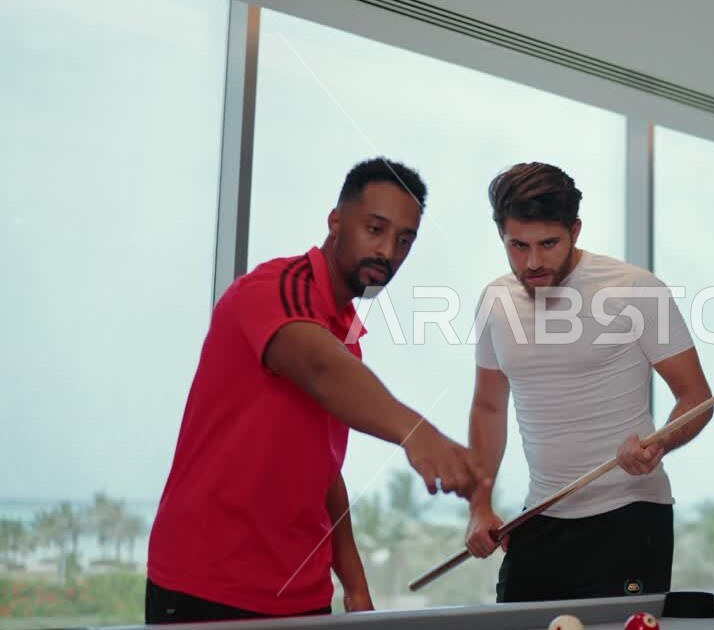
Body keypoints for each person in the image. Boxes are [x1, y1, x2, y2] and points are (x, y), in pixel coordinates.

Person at [146, 158, 485, 623]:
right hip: (207, 585)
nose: (388, 251)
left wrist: (356, 585)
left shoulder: (346, 334)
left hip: (302, 595)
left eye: (404, 240)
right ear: (335, 221)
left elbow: (322, 471)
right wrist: (416, 432)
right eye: (375, 229)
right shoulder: (274, 289)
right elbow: (320, 369)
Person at [463, 162, 714, 602]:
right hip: (539, 515)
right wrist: (478, 505)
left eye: (548, 244)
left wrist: (659, 444)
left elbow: (696, 397)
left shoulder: (636, 289)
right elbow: (488, 408)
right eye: (517, 246)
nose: (533, 262)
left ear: (575, 230)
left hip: (630, 515)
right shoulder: (494, 301)